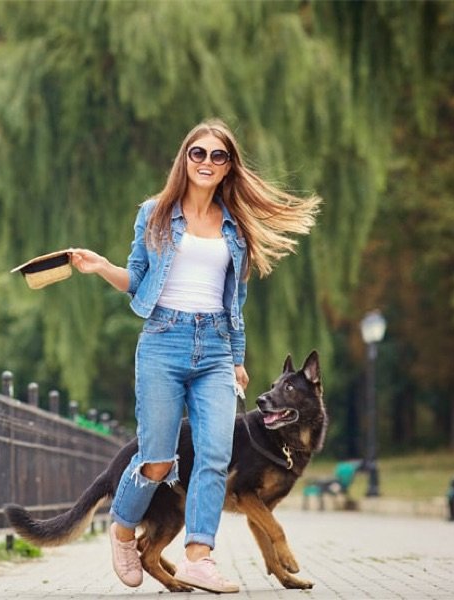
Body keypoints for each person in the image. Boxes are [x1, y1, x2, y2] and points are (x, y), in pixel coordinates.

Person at [69, 118, 320, 593]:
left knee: (214, 454)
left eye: (217, 156)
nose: (206, 162)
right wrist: (102, 267)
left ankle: (199, 556)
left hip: (216, 351)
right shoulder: (155, 213)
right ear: (185, 159)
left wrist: (238, 359)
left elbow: (235, 304)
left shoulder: (235, 226)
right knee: (158, 460)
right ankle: (122, 529)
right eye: (198, 153)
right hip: (163, 340)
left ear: (228, 167)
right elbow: (138, 281)